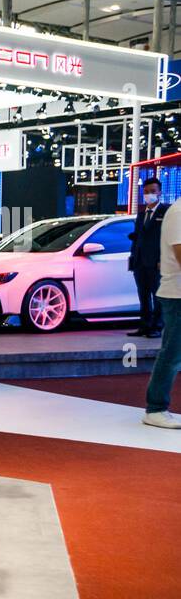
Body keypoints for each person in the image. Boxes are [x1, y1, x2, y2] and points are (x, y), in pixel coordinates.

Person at [144, 202, 181, 428]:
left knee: (174, 351)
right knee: (173, 352)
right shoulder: (178, 212)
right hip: (176, 295)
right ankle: (155, 407)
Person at [128, 176, 168, 338]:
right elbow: (138, 237)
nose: (149, 194)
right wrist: (133, 259)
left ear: (159, 192)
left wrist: (162, 260)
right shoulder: (141, 213)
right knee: (143, 295)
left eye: (152, 191)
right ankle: (144, 325)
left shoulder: (166, 212)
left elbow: (167, 238)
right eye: (146, 192)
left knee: (157, 296)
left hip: (157, 262)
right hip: (140, 262)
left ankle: (157, 327)